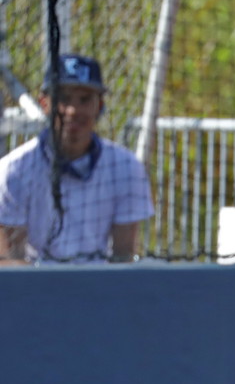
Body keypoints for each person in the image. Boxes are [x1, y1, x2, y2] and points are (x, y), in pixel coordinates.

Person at [0, 53, 153, 264]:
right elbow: (10, 260)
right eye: (63, 99)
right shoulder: (14, 169)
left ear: (99, 106)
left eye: (84, 100)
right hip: (35, 285)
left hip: (99, 285)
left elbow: (123, 256)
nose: (73, 110)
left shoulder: (126, 167)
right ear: (45, 104)